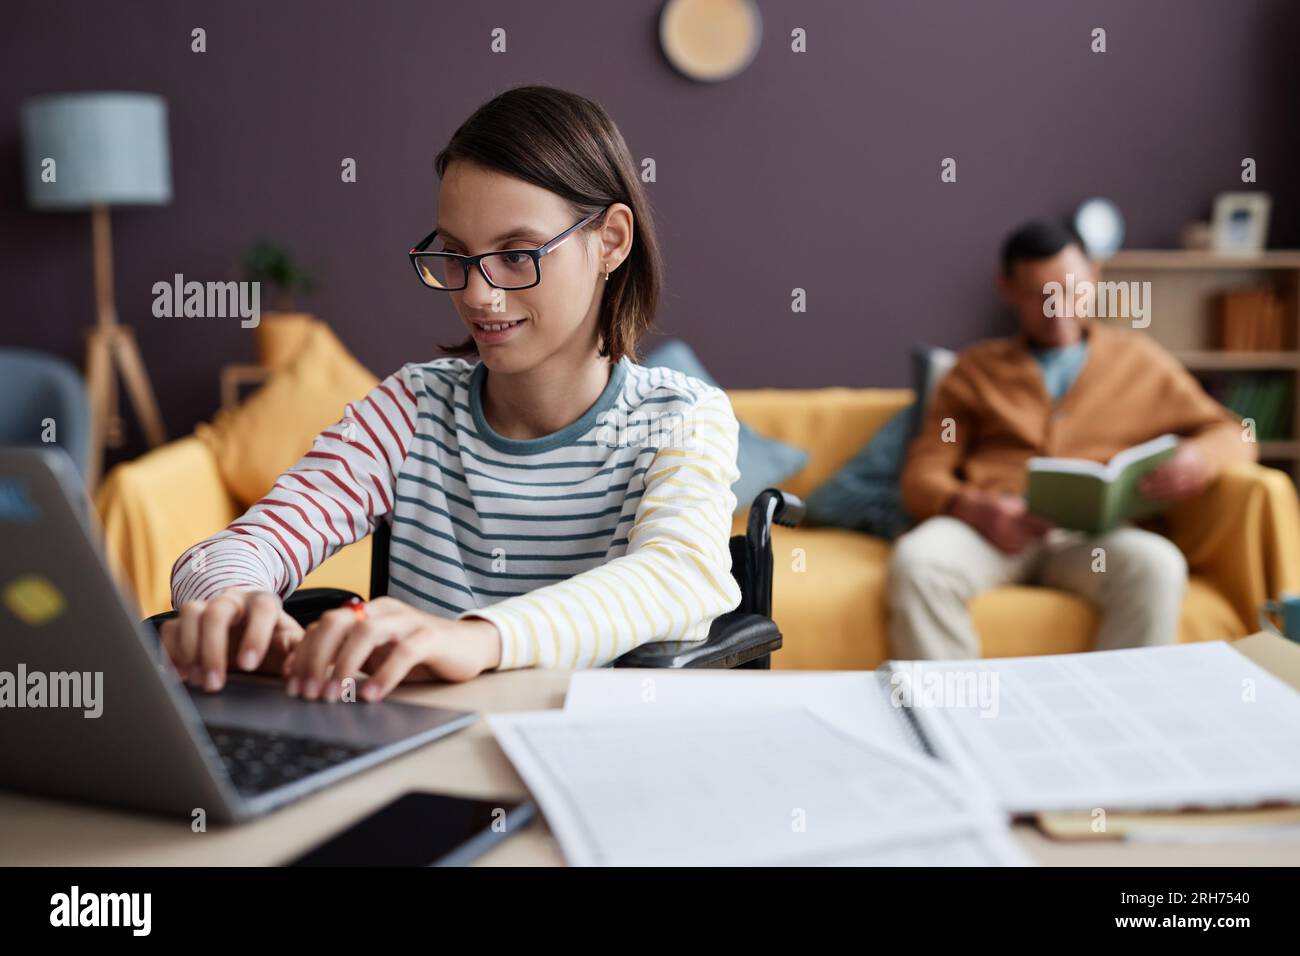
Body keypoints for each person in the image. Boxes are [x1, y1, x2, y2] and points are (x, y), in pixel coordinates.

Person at [160, 86, 742, 699]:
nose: (476, 295)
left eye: (517, 255)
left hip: (597, 761)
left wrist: (478, 639)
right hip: (420, 755)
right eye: (457, 255)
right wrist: (235, 605)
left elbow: (680, 575)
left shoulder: (681, 418)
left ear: (612, 242)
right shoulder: (410, 409)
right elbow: (238, 549)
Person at [889, 219, 1257, 659]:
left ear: (1094, 277)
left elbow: (1235, 433)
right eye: (1038, 295)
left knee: (1158, 565)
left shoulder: (1139, 360)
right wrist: (970, 505)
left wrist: (1199, 457)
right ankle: (949, 717)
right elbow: (922, 473)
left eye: (1070, 289)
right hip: (991, 531)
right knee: (919, 563)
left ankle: (1118, 720)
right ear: (1007, 289)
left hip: (1096, 541)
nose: (1058, 309)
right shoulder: (973, 370)